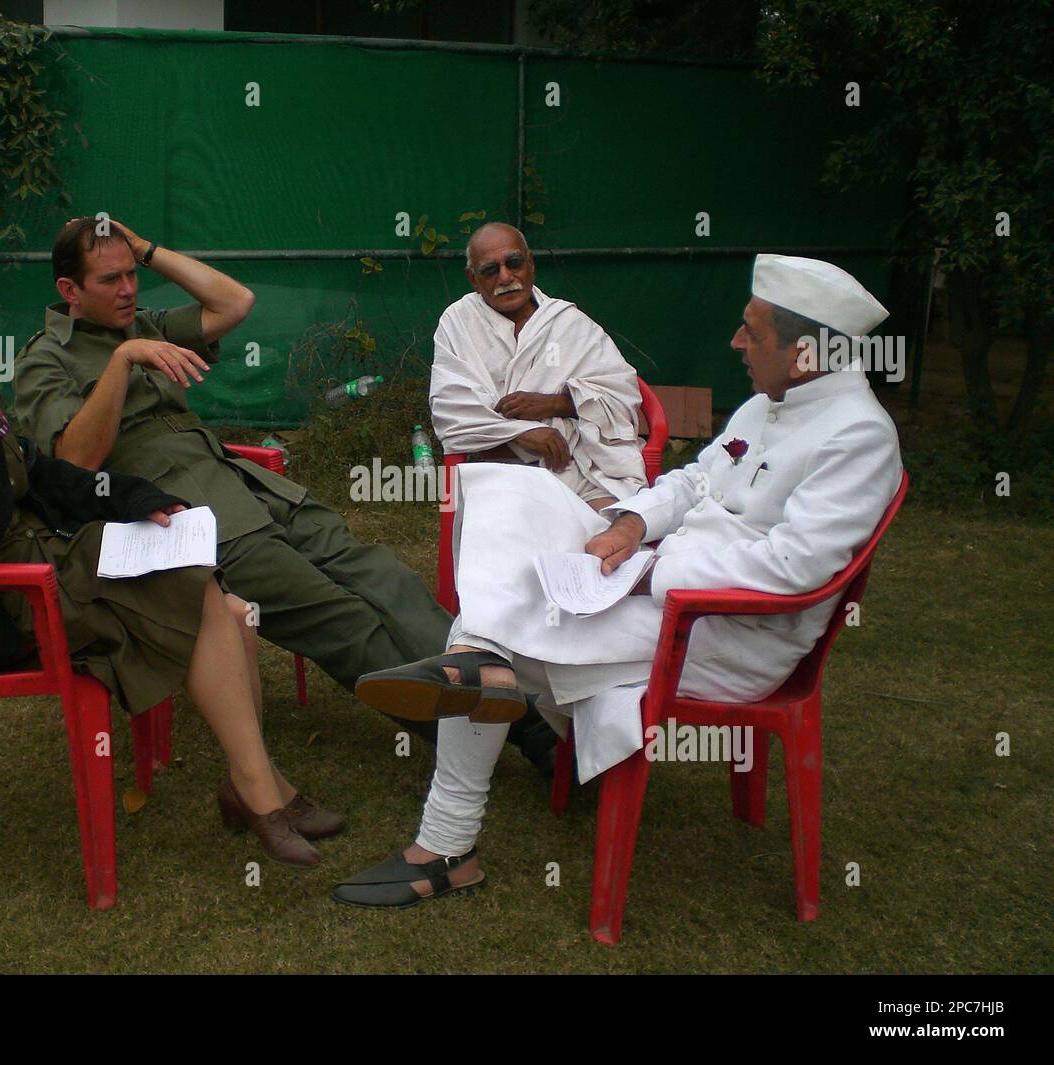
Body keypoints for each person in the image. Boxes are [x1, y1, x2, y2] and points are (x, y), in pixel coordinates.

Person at [336, 254, 904, 906]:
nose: (737, 342)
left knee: (489, 628)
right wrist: (632, 523)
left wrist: (652, 573)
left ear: (803, 355)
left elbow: (795, 568)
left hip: (729, 633)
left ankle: (447, 837)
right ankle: (477, 683)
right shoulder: (768, 404)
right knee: (504, 487)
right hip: (670, 595)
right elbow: (695, 481)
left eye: (752, 331)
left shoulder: (859, 436)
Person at [0, 236, 343, 869]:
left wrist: (134, 496)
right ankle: (261, 794)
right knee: (200, 590)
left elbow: (40, 474)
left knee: (228, 609)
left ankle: (257, 786)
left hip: (52, 567)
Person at [10, 216, 561, 773]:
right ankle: (512, 734)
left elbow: (234, 303)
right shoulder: (44, 360)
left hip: (248, 485)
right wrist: (123, 362)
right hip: (184, 518)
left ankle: (494, 684)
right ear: (69, 291)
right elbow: (76, 459)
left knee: (380, 573)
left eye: (132, 275)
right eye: (110, 280)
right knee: (341, 619)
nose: (128, 289)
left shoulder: (141, 322)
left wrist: (148, 250)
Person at [430, 222, 647, 510]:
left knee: (613, 528)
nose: (505, 277)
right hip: (496, 469)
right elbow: (451, 408)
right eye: (490, 270)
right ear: (473, 279)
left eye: (514, 263)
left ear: (530, 264)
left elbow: (621, 398)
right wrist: (522, 433)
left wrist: (556, 404)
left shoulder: (568, 323)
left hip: (578, 466)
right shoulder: (458, 322)